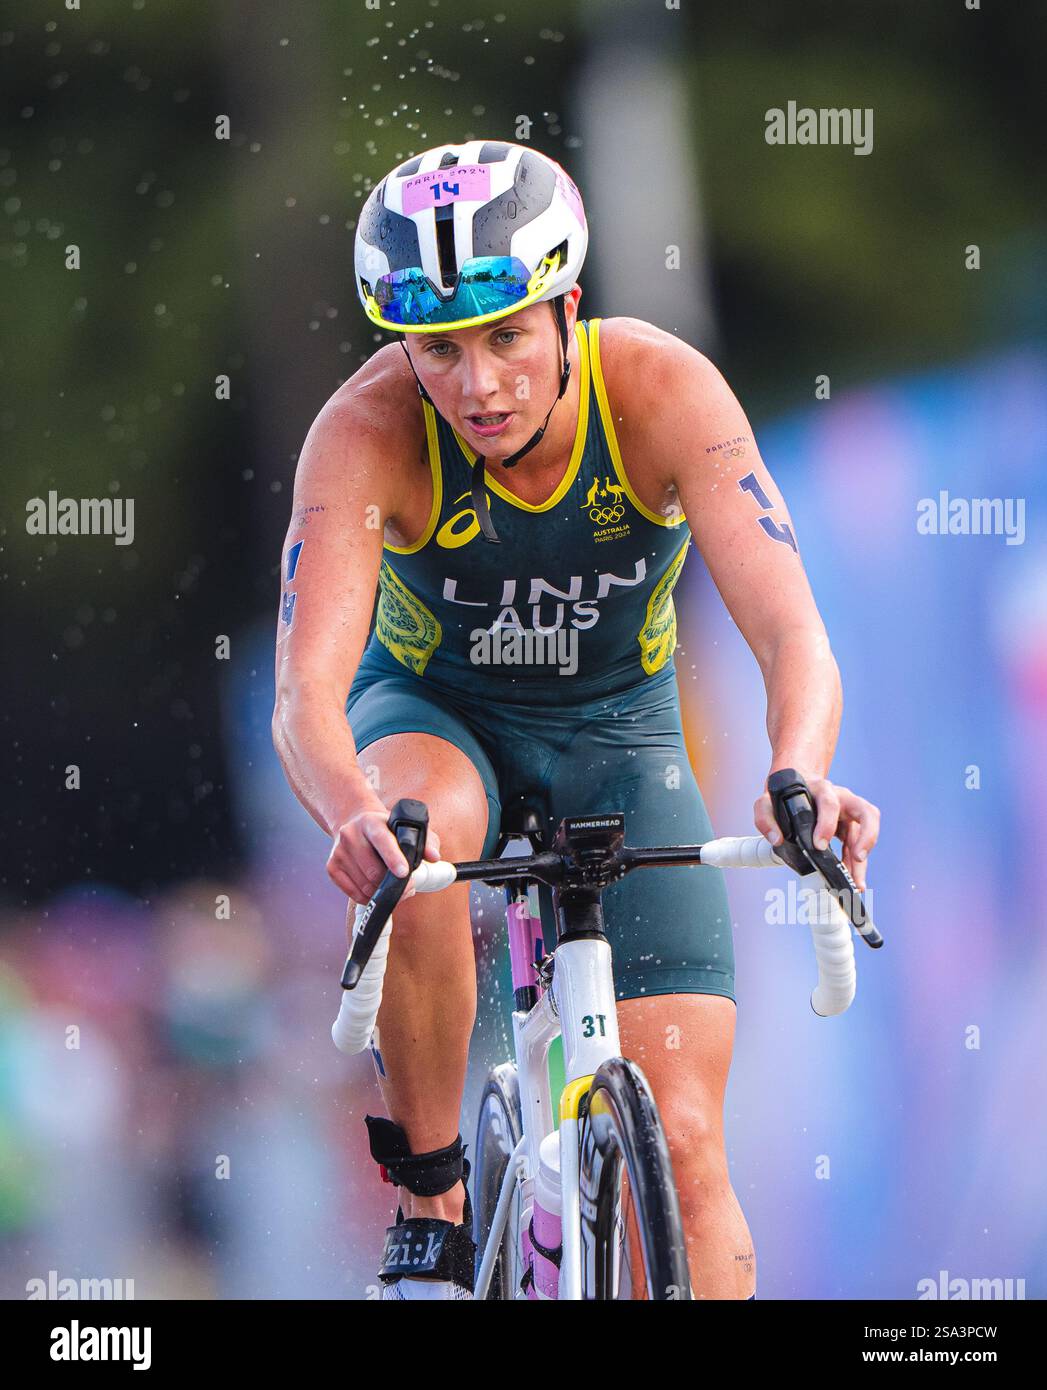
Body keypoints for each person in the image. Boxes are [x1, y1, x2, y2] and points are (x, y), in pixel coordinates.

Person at [272, 140, 880, 1300]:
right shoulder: (364, 433)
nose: (478, 384)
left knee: (690, 1142)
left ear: (568, 313)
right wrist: (352, 814)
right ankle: (435, 1199)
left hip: (622, 740)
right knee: (420, 827)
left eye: (508, 336)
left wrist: (798, 768)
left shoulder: (659, 391)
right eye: (440, 349)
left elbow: (794, 633)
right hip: (435, 719)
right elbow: (305, 696)